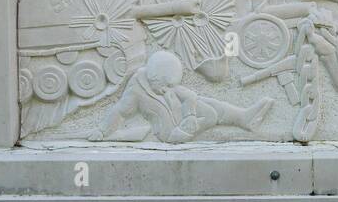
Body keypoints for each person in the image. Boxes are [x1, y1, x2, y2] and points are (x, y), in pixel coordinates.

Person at [94, 51, 273, 143]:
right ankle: (234, 119)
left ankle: (243, 118)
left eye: (171, 86)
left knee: (208, 103)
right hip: (171, 133)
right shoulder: (136, 90)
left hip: (182, 117)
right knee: (209, 115)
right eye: (165, 86)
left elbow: (188, 96)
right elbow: (120, 112)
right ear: (153, 78)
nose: (167, 90)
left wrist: (190, 115)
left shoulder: (165, 84)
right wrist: (102, 131)